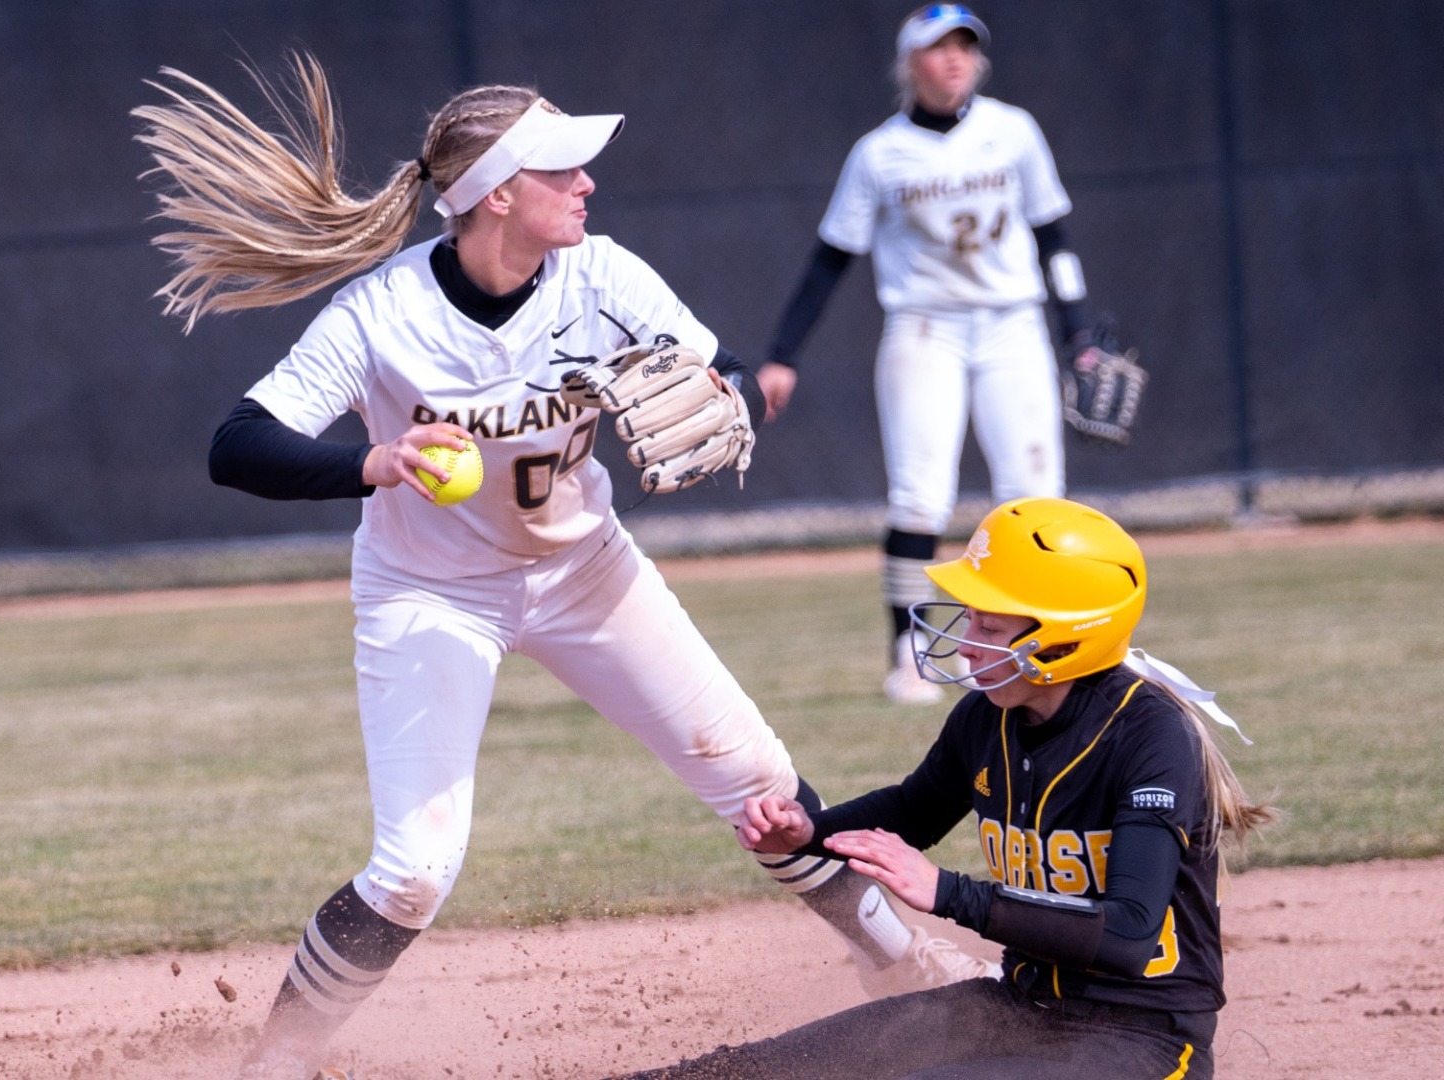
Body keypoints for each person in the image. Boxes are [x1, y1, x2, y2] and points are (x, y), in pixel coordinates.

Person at [130, 53, 996, 1080]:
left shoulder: (603, 275)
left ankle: (907, 968)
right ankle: (277, 1062)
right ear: (498, 194)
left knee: (760, 783)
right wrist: (373, 461)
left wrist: (722, 398)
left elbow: (710, 370)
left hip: (589, 571)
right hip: (432, 592)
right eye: (563, 169)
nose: (588, 182)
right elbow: (240, 441)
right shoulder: (383, 314)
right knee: (413, 873)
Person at [614, 496, 1277, 1080]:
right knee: (761, 1070)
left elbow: (1130, 935)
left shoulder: (1150, 737)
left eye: (990, 625)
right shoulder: (988, 715)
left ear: (1064, 640)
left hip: (1142, 1043)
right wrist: (809, 831)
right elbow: (914, 810)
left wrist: (947, 893)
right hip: (1022, 1010)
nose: (965, 643)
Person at [756, 4, 1110, 706]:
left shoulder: (1012, 131)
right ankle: (910, 652)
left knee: (1034, 496)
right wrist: (782, 355)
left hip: (1013, 324)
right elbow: (830, 260)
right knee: (920, 495)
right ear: (909, 64)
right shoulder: (880, 153)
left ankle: (1044, 644)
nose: (954, 60)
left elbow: (1054, 237)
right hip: (925, 330)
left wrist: (1079, 332)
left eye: (965, 47)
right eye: (938, 48)